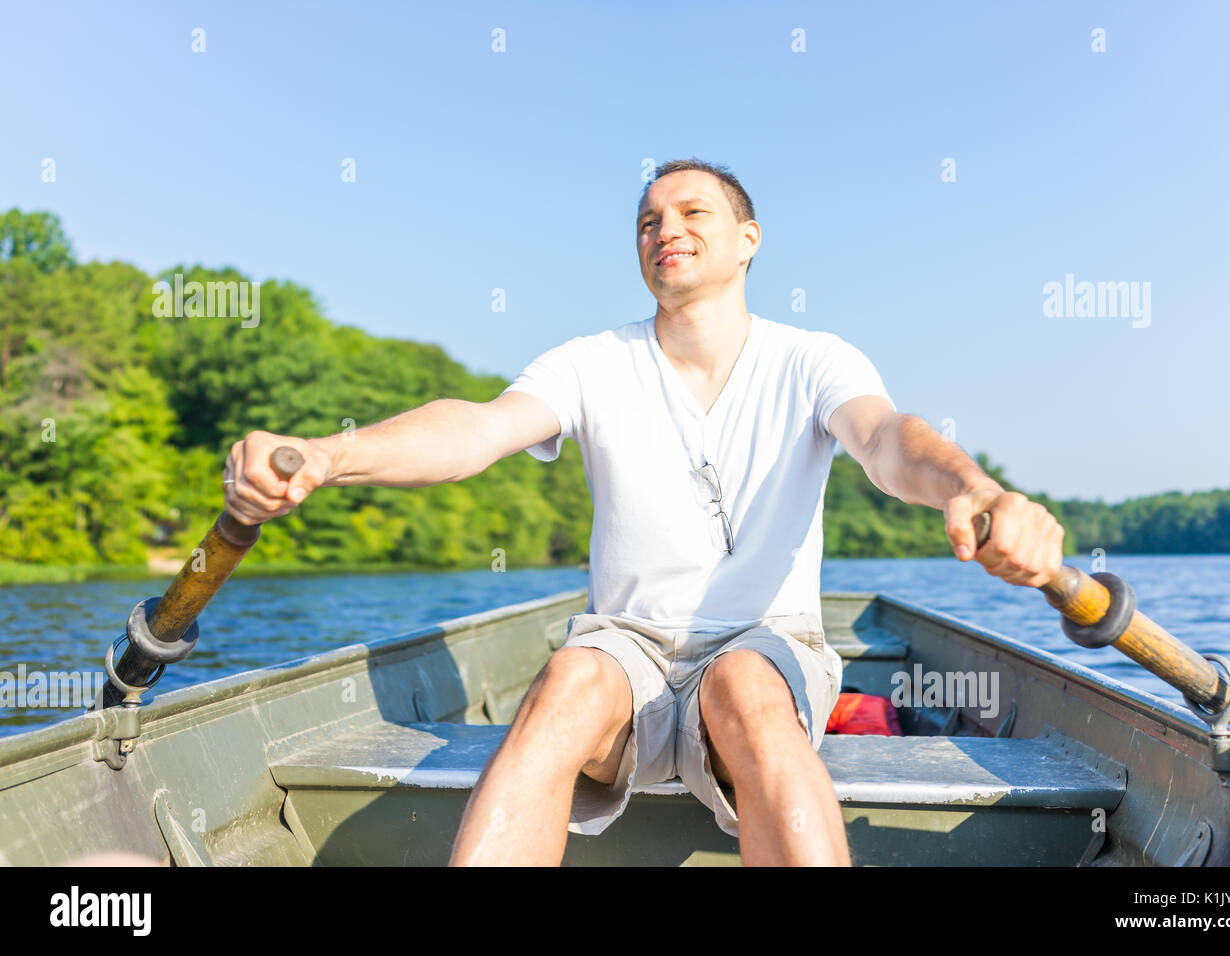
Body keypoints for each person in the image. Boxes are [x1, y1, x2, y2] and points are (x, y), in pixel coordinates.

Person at [224, 158, 1064, 866]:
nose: (666, 228)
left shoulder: (813, 359)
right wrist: (331, 455)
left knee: (743, 687)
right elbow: (475, 432)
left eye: (693, 211)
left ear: (748, 242)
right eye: (648, 220)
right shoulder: (591, 362)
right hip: (625, 651)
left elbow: (888, 441)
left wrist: (975, 491)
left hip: (763, 650)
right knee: (566, 677)